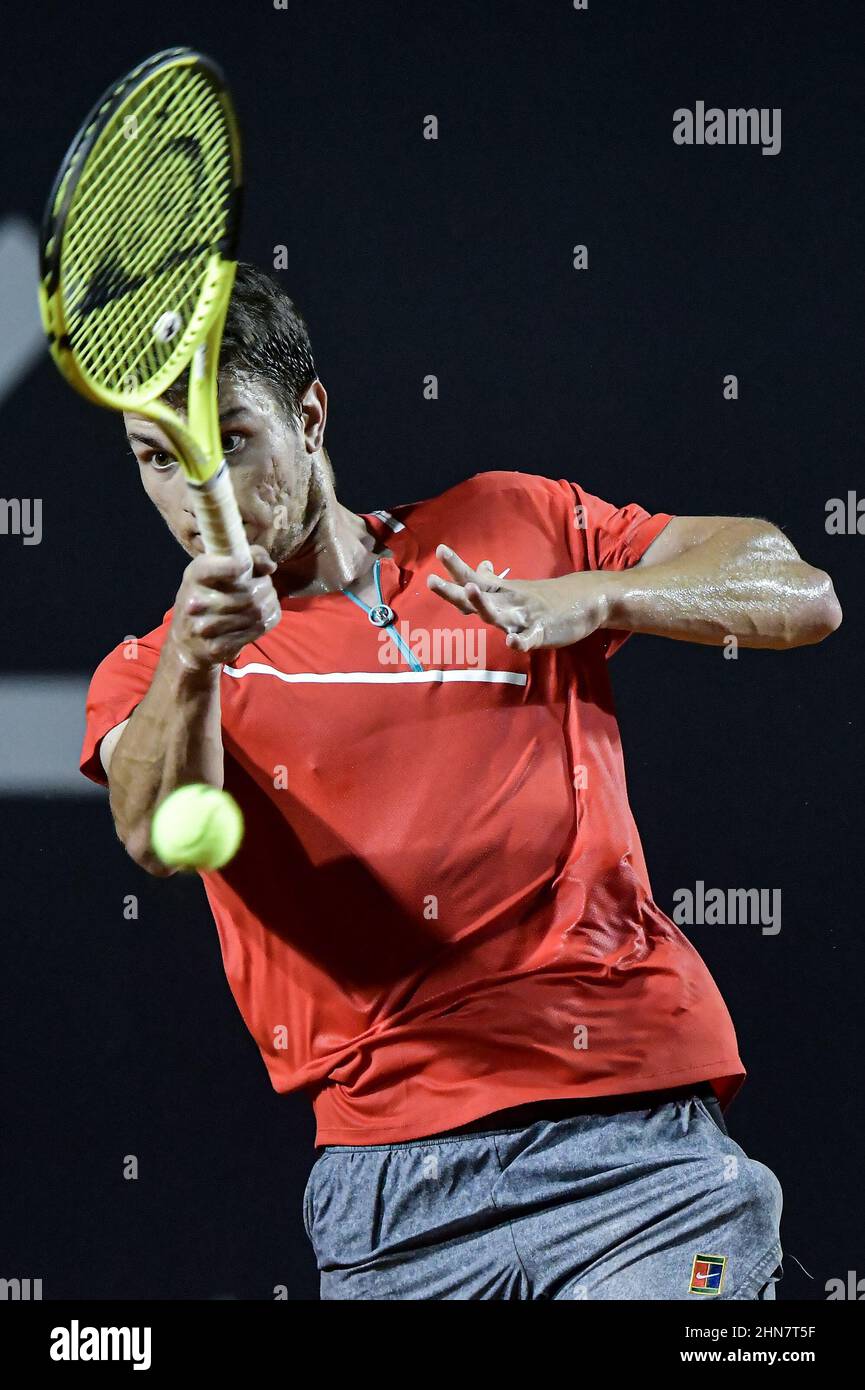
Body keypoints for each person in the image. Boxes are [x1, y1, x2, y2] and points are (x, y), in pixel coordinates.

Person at [81, 263, 841, 1300]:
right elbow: (154, 831)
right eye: (157, 458)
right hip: (395, 1197)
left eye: (231, 441)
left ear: (310, 417)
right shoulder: (156, 670)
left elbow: (798, 592)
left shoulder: (511, 523)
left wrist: (596, 594)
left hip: (639, 1155)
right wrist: (194, 662)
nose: (196, 493)